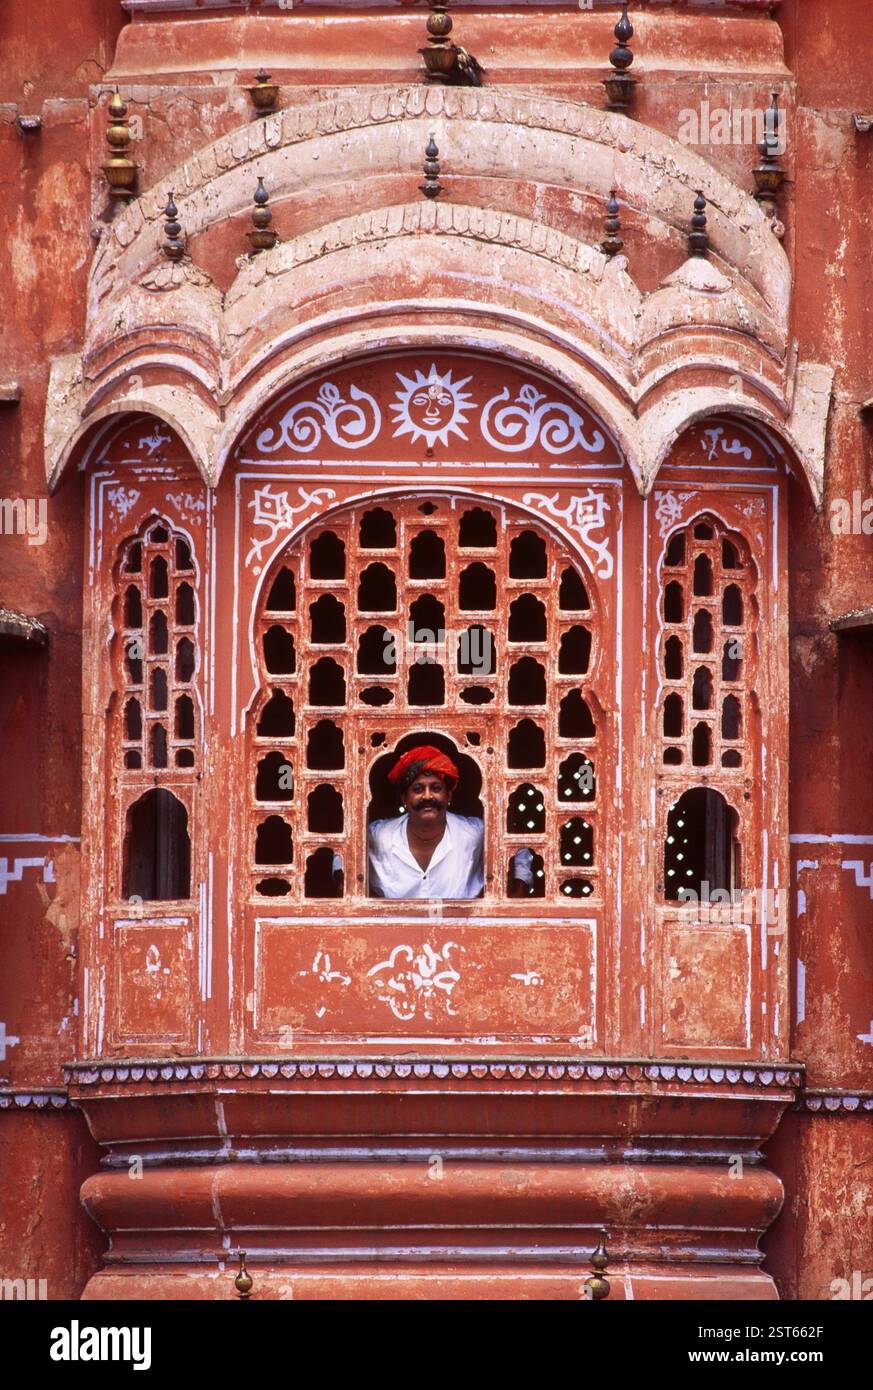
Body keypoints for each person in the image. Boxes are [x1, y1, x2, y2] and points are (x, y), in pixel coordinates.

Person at [368, 745, 483, 900]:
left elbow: (507, 841)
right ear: (404, 798)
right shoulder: (381, 836)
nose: (427, 796)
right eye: (418, 789)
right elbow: (347, 850)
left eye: (436, 788)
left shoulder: (472, 834)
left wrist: (518, 887)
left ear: (449, 795)